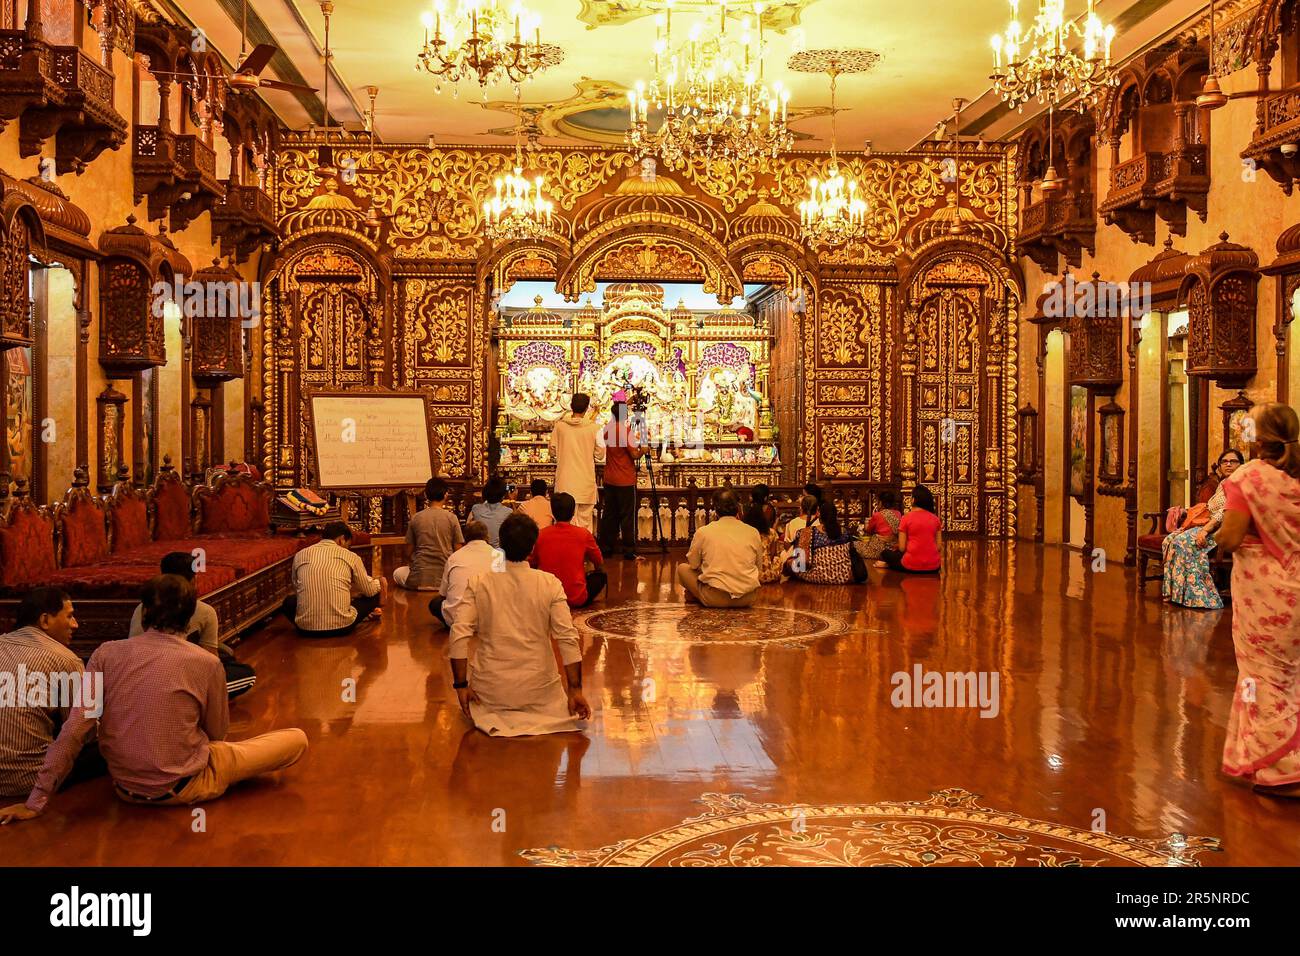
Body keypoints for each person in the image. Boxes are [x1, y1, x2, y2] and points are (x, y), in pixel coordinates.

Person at [0, 575, 308, 822]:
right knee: (295, 739)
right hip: (184, 786)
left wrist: (36, 801)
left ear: (144, 612)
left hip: (123, 787)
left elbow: (74, 730)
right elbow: (216, 733)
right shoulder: (206, 663)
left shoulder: (105, 653)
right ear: (191, 617)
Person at [1214, 403, 1300, 797]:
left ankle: (1282, 769)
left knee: (1264, 677)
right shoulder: (1294, 477)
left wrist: (1215, 540)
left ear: (1259, 439)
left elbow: (1231, 537)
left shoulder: (1249, 478)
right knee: (1292, 676)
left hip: (1264, 593)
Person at [449, 513, 591, 737]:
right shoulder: (549, 584)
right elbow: (567, 638)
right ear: (533, 548)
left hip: (491, 692)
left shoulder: (480, 582)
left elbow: (459, 635)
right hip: (540, 692)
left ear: (500, 544)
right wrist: (575, 690)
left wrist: (461, 686)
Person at [0, 589, 107, 798]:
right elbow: (86, 734)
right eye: (69, 615)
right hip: (29, 779)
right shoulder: (66, 660)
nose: (75, 624)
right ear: (45, 620)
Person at [129, 552, 256, 699]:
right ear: (193, 580)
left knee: (225, 653)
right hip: (177, 679)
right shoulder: (203, 611)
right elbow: (210, 666)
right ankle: (190, 697)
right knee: (242, 673)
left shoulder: (140, 609)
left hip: (142, 680)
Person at [1161, 449, 1244, 609]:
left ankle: (1201, 598)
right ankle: (1176, 593)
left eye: (1233, 461)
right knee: (1169, 540)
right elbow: (1211, 507)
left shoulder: (1238, 484)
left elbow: (1223, 512)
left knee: (1183, 542)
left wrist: (1205, 530)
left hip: (1219, 528)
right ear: (1219, 466)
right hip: (1208, 522)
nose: (1228, 464)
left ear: (1241, 465)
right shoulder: (1223, 483)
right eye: (1224, 461)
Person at [284, 521, 387, 638]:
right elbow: (369, 591)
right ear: (341, 539)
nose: (348, 548)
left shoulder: (300, 554)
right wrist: (379, 583)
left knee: (288, 602)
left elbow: (297, 588)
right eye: (348, 545)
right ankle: (360, 613)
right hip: (342, 627)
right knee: (375, 595)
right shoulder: (350, 556)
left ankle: (310, 622)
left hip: (305, 630)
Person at [677, 488, 764, 608]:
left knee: (682, 568)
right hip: (748, 597)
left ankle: (696, 595)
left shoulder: (704, 532)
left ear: (715, 509)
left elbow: (693, 564)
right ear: (738, 507)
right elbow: (759, 568)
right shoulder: (753, 532)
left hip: (715, 597)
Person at [531, 492, 607, 609]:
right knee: (600, 577)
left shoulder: (541, 534)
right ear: (572, 513)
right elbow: (599, 562)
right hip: (576, 597)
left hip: (547, 597)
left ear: (553, 513)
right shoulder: (583, 534)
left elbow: (532, 564)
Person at [549, 393, 606, 532]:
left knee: (563, 526)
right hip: (585, 484)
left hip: (565, 483)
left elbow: (552, 451)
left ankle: (567, 553)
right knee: (584, 525)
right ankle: (582, 552)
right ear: (587, 408)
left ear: (570, 406)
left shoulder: (560, 427)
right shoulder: (595, 428)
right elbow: (601, 454)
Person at [394, 477, 463, 591]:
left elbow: (408, 551)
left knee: (397, 573)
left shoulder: (416, 518)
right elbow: (458, 550)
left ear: (426, 495)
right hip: (445, 579)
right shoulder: (452, 518)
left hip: (420, 579)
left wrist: (414, 563)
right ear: (446, 495)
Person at [431, 521, 501, 629]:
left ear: (465, 537)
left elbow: (443, 594)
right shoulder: (498, 556)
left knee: (435, 603)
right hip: (491, 620)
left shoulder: (454, 557)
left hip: (458, 619)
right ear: (487, 536)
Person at [599, 401, 643, 559]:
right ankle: (629, 550)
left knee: (610, 514)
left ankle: (605, 547)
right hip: (625, 479)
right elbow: (635, 454)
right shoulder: (625, 431)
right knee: (627, 515)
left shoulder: (607, 429)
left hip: (610, 478)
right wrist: (643, 450)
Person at [876, 486, 942, 574]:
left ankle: (888, 565)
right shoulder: (936, 519)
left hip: (911, 565)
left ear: (913, 500)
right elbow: (938, 547)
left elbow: (902, 548)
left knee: (885, 553)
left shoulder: (906, 518)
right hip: (934, 566)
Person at [742, 485, 783, 584]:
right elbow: (773, 555)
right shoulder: (771, 531)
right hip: (767, 574)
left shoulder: (744, 531)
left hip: (748, 574)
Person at [856, 490, 903, 561]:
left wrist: (866, 525)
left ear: (881, 503)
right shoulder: (898, 513)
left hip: (879, 548)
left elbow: (869, 531)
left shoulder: (877, 515)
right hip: (893, 548)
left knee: (854, 545)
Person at [469, 476, 512, 548]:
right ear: (503, 496)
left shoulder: (476, 509)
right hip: (498, 551)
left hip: (480, 549)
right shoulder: (507, 512)